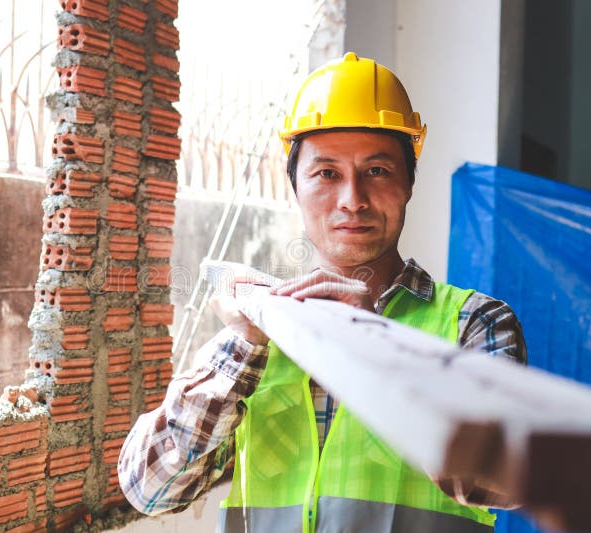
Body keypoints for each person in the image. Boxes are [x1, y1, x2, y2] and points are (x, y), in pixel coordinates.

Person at [118, 52, 527, 532]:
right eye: (326, 173)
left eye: (377, 171)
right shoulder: (256, 338)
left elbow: (512, 477)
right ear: (295, 187)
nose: (352, 199)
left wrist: (375, 345)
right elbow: (150, 488)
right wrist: (243, 344)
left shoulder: (474, 323)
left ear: (409, 185)